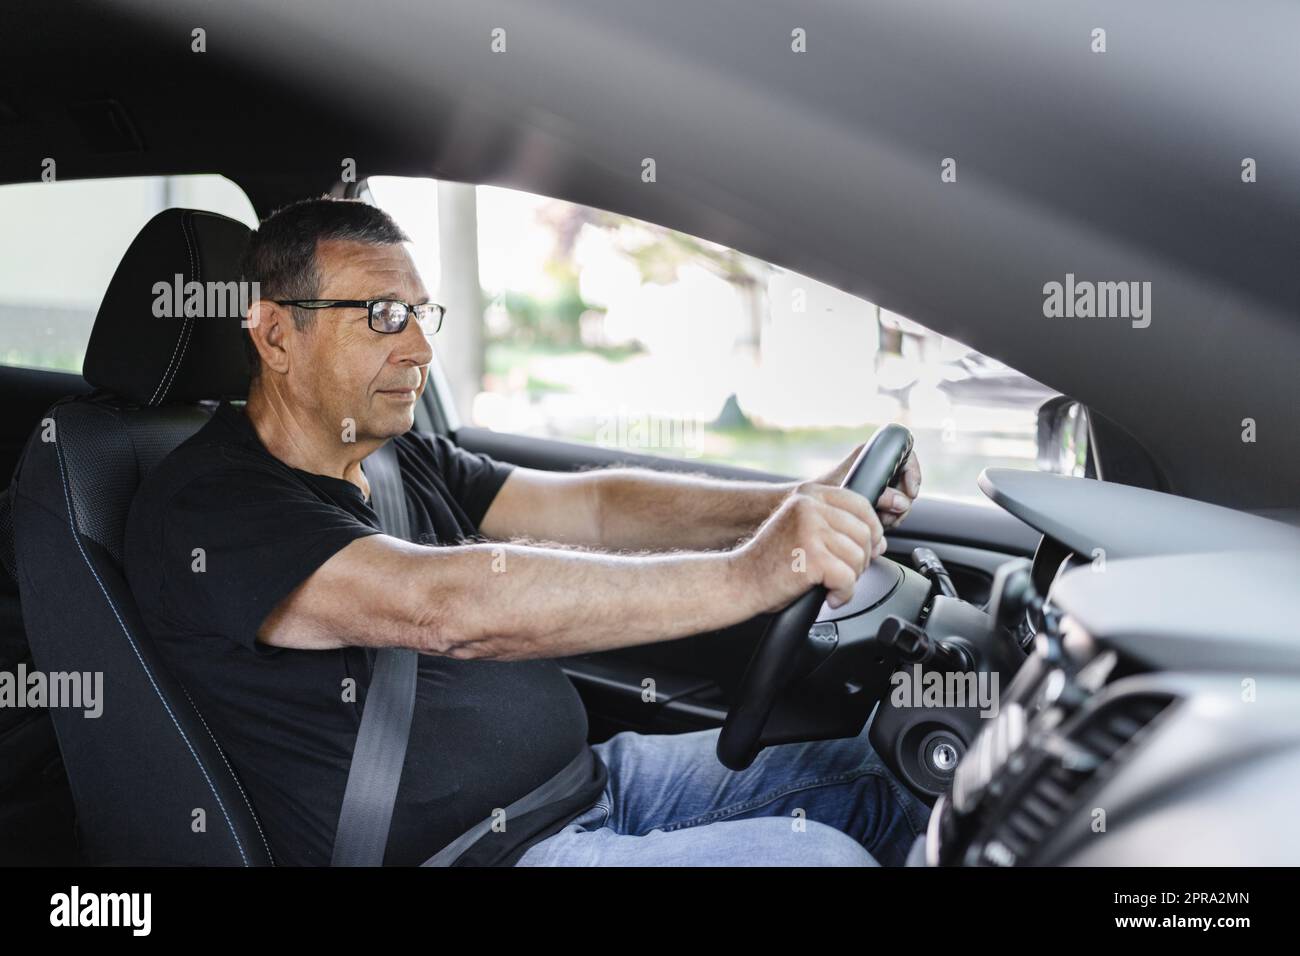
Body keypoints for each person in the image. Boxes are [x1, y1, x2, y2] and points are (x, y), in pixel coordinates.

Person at [124, 198, 928, 867]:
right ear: (274, 337)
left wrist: (802, 497)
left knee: (887, 767)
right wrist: (748, 575)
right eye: (382, 316)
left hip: (587, 786)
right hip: (473, 854)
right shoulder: (209, 508)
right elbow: (437, 606)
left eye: (419, 313)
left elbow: (598, 509)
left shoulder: (399, 460)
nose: (421, 347)